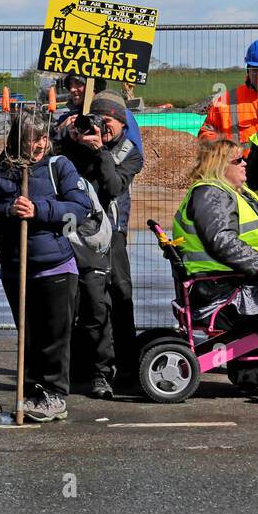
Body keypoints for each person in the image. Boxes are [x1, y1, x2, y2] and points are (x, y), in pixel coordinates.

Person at [0, 114, 92, 423]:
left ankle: (55, 397)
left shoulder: (60, 167)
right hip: (16, 269)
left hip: (56, 267)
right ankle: (30, 394)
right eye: (31, 138)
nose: (39, 144)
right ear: (16, 140)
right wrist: (7, 210)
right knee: (27, 336)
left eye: (42, 138)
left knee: (53, 338)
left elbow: (80, 209)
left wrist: (40, 210)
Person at [57, 91, 143, 399]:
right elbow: (55, 168)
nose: (101, 128)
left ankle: (127, 370)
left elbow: (113, 186)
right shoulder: (76, 144)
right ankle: (84, 369)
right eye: (97, 120)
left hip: (112, 232)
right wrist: (66, 138)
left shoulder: (130, 152)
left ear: (122, 122)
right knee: (82, 299)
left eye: (107, 122)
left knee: (119, 294)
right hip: (75, 231)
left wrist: (100, 151)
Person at [173, 138, 258, 327]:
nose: (245, 163)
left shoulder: (232, 192)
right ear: (220, 165)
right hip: (224, 291)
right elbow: (222, 241)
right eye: (238, 160)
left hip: (231, 282)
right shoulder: (212, 194)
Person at [199, 39, 258, 149]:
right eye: (255, 70)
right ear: (248, 70)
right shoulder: (226, 101)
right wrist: (224, 151)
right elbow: (206, 134)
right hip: (241, 165)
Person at [54, 75, 144, 156]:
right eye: (71, 85)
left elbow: (136, 157)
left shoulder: (120, 114)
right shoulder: (66, 119)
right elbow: (49, 152)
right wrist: (58, 131)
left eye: (78, 83)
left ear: (94, 88)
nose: (72, 89)